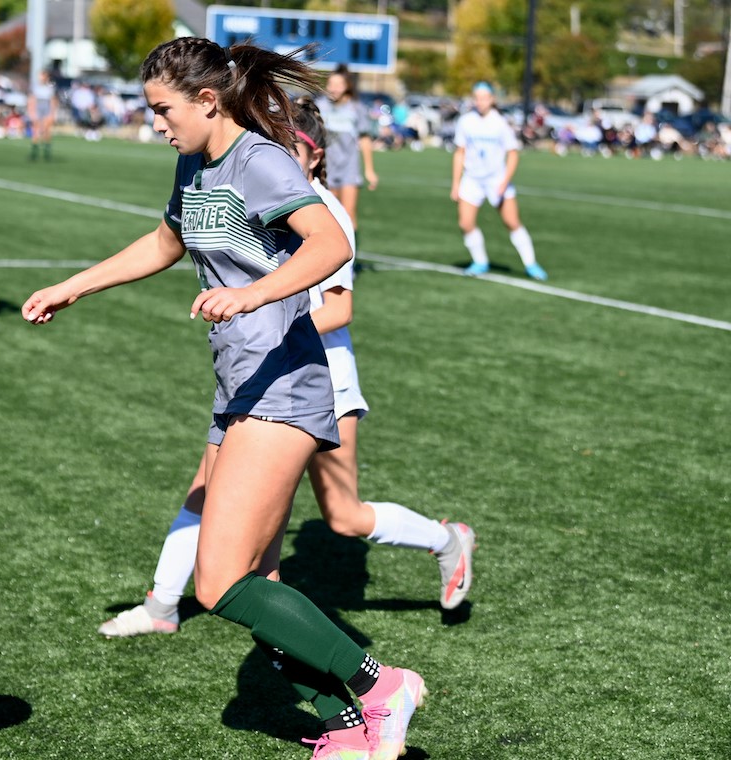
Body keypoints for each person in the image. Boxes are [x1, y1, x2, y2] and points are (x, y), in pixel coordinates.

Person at [23, 37, 426, 760]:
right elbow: (164, 242)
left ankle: (378, 686)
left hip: (287, 384)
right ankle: (346, 728)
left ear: (207, 101)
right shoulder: (193, 162)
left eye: (162, 110)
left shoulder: (260, 161)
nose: (155, 124)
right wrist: (72, 285)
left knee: (219, 582)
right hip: (240, 385)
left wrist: (250, 295)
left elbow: (330, 244)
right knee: (259, 580)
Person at [99, 96, 475, 642]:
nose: (275, 156)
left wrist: (259, 312)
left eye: (288, 148)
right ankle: (162, 604)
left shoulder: (325, 211)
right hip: (262, 374)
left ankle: (447, 540)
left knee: (343, 515)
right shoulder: (259, 192)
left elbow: (339, 309)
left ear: (314, 156)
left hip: (323, 380)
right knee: (207, 489)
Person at [450, 81, 547, 281]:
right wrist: (455, 183)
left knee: (511, 221)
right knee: (465, 223)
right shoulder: (466, 121)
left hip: (496, 179)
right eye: (477, 97)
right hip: (473, 179)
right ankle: (480, 262)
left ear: (492, 99)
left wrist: (504, 181)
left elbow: (512, 154)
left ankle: (531, 264)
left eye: (484, 98)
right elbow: (460, 153)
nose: (480, 102)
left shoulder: (500, 122)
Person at [315, 64, 376, 230]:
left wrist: (369, 170)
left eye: (338, 85)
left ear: (347, 86)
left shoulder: (357, 108)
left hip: (348, 167)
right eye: (331, 84)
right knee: (328, 215)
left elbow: (365, 139)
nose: (333, 89)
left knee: (348, 217)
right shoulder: (320, 106)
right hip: (325, 167)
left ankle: (350, 254)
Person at [28, 69, 57, 161]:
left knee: (46, 130)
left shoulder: (50, 88)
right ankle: (34, 153)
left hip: (46, 107)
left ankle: (47, 153)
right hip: (38, 107)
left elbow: (53, 101)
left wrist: (52, 113)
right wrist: (32, 112)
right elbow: (32, 100)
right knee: (36, 129)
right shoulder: (36, 87)